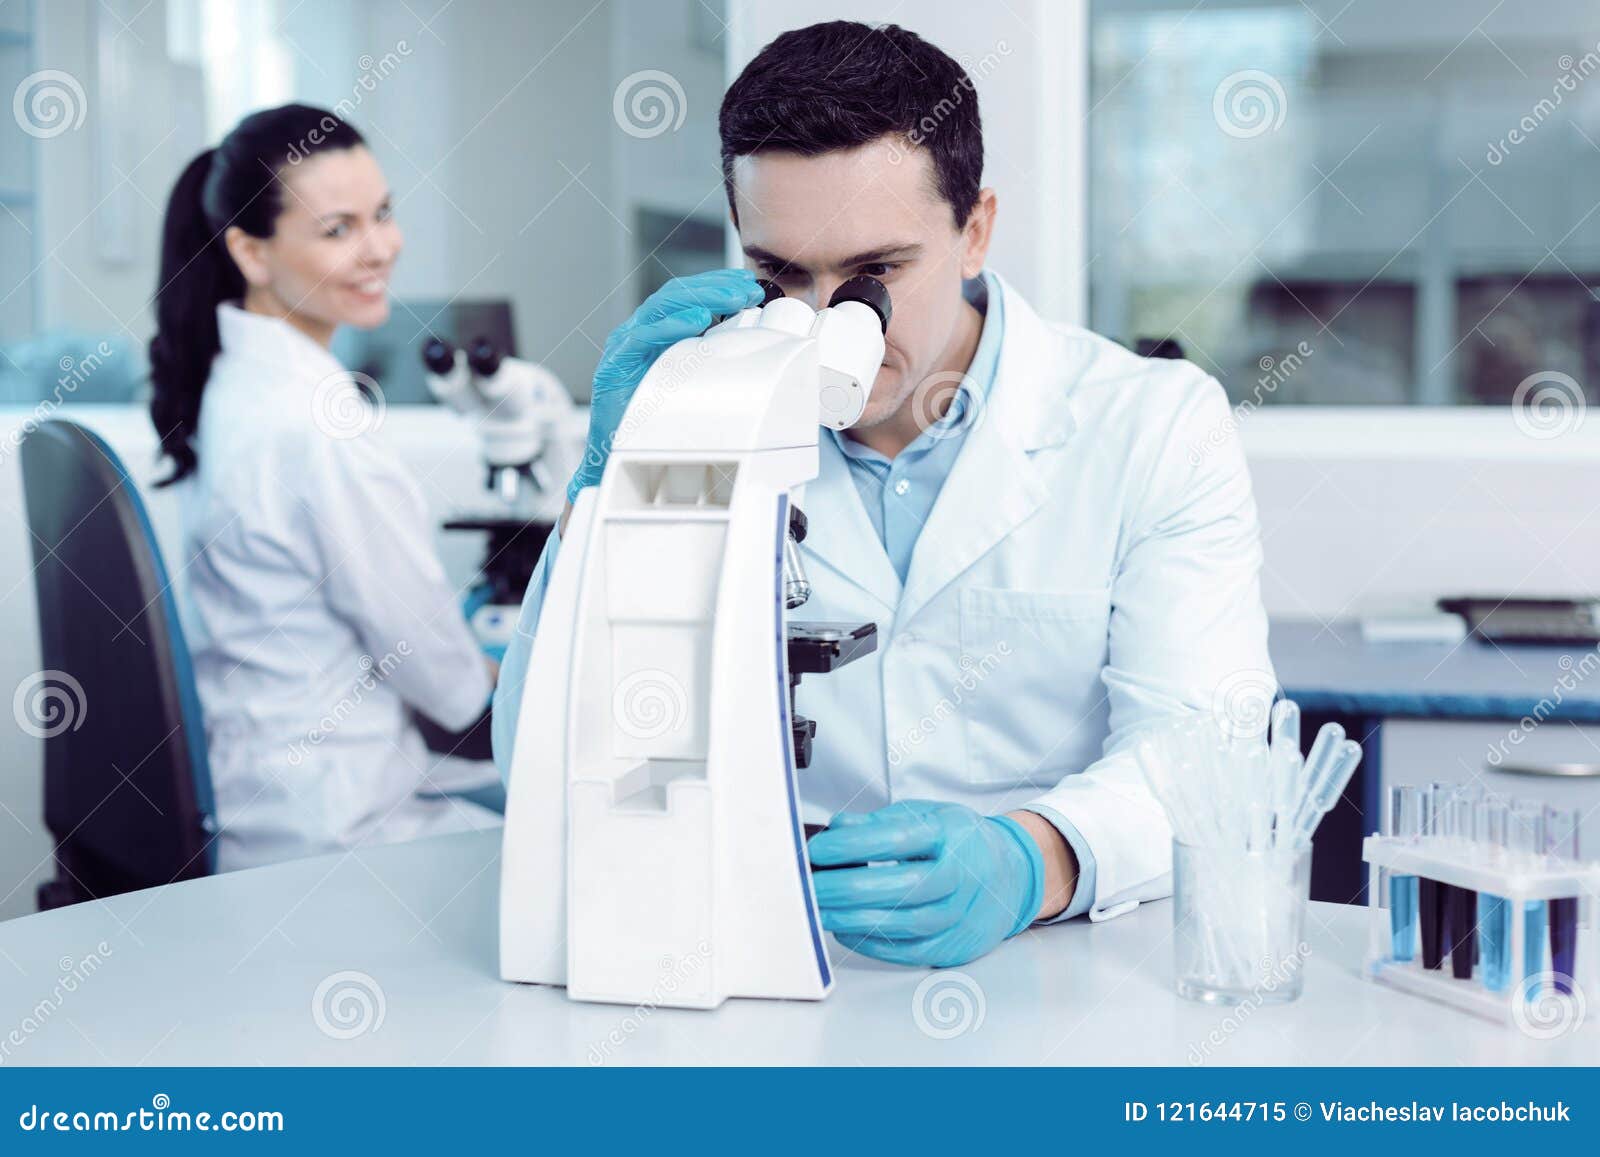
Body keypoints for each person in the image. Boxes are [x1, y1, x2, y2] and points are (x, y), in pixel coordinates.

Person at [494, 23, 1273, 967]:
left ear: (975, 230)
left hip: (1056, 966)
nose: (828, 324)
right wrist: (609, 488)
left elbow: (1208, 753)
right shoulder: (710, 418)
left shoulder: (1151, 425)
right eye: (781, 275)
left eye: (874, 276)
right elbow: (535, 762)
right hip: (770, 955)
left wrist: (1033, 859)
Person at [148, 104, 500, 871]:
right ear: (250, 250)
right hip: (335, 836)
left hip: (267, 803)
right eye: (338, 230)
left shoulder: (231, 381)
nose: (380, 250)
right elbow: (452, 691)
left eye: (383, 214)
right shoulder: (320, 425)